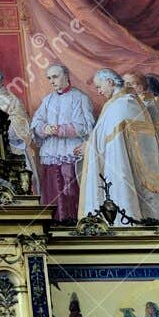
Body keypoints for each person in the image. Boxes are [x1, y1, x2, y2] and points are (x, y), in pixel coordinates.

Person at [79, 68, 159, 220]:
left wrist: (89, 147)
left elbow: (116, 149)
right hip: (130, 171)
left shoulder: (121, 105)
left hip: (123, 172)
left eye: (99, 86)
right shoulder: (126, 102)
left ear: (110, 82)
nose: (99, 91)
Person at [30, 63, 94, 221]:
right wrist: (45, 128)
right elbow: (36, 124)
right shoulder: (47, 100)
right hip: (51, 154)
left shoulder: (80, 98)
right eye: (49, 78)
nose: (51, 81)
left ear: (66, 76)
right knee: (52, 195)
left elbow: (87, 127)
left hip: (71, 154)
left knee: (71, 194)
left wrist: (59, 129)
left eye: (55, 76)